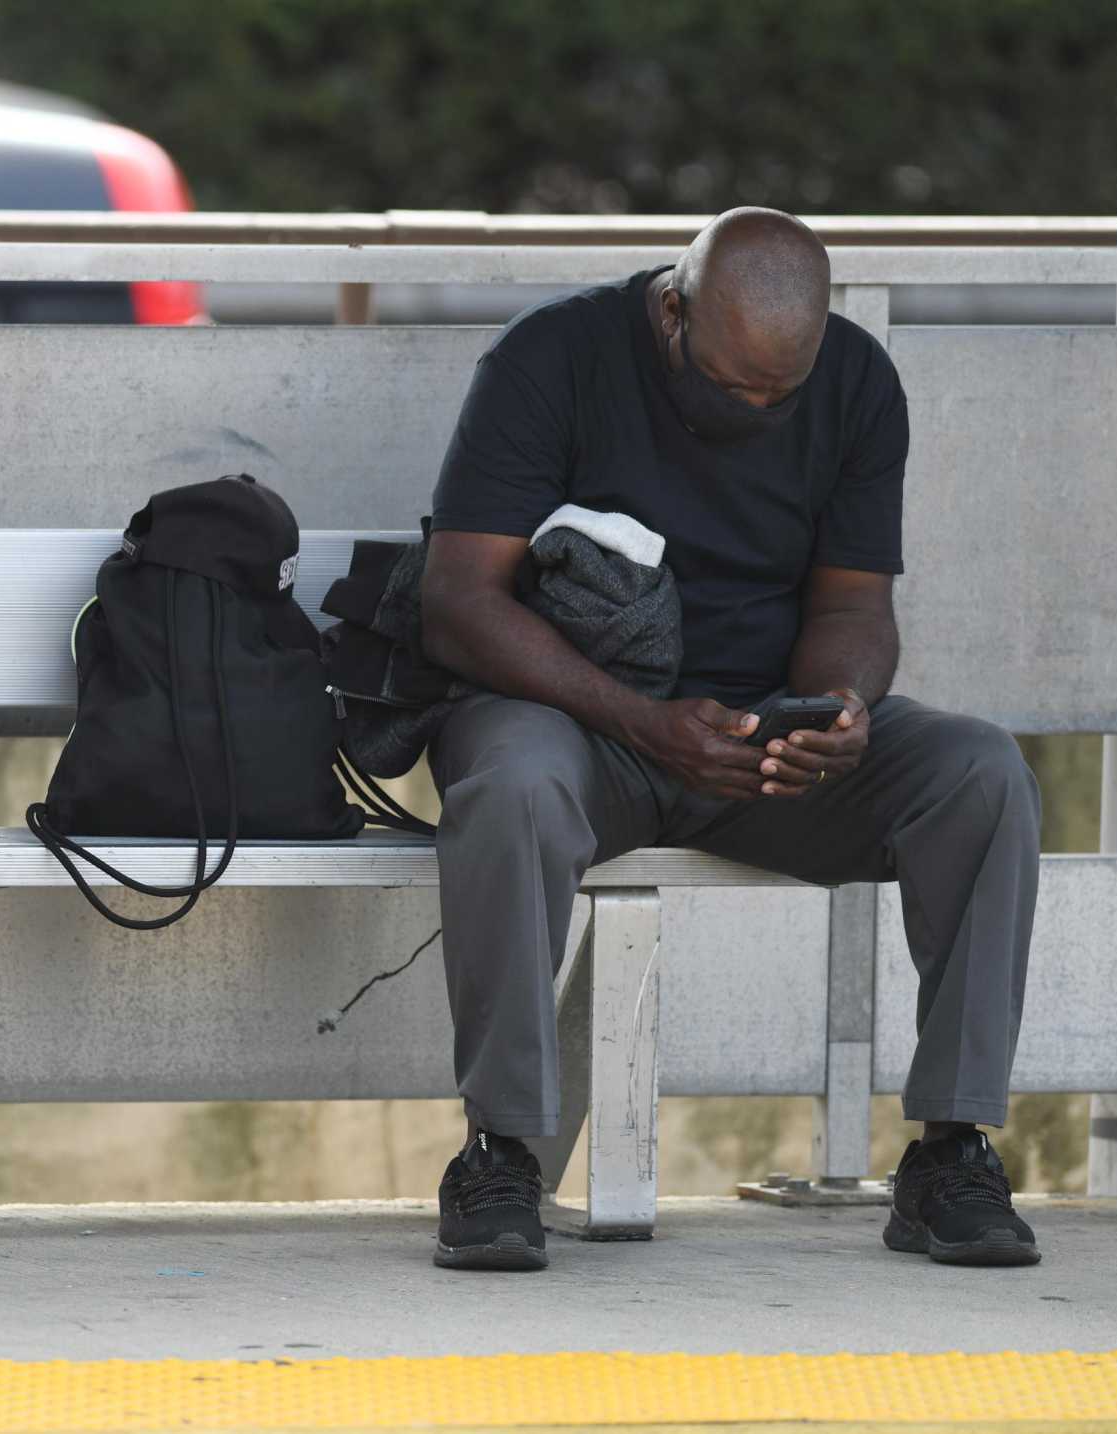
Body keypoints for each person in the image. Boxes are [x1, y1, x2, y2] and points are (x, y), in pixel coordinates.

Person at [419, 208, 1041, 1272]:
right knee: (513, 786)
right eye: (731, 387)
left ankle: (951, 1151)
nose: (757, 411)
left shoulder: (855, 382)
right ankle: (499, 1152)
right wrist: (643, 724)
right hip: (580, 727)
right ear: (673, 312)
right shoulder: (551, 359)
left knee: (981, 775)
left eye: (779, 395)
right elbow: (458, 604)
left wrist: (837, 710)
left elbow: (852, 606)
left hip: (757, 741)